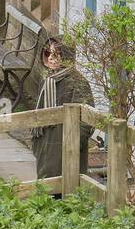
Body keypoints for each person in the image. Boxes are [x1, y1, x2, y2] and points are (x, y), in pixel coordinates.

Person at [30, 37, 93, 183]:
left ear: (67, 56)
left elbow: (87, 121)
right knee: (46, 190)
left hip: (65, 150)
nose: (51, 58)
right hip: (45, 148)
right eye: (47, 53)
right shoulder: (46, 80)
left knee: (65, 190)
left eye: (56, 54)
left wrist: (72, 144)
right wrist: (37, 144)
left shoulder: (77, 82)